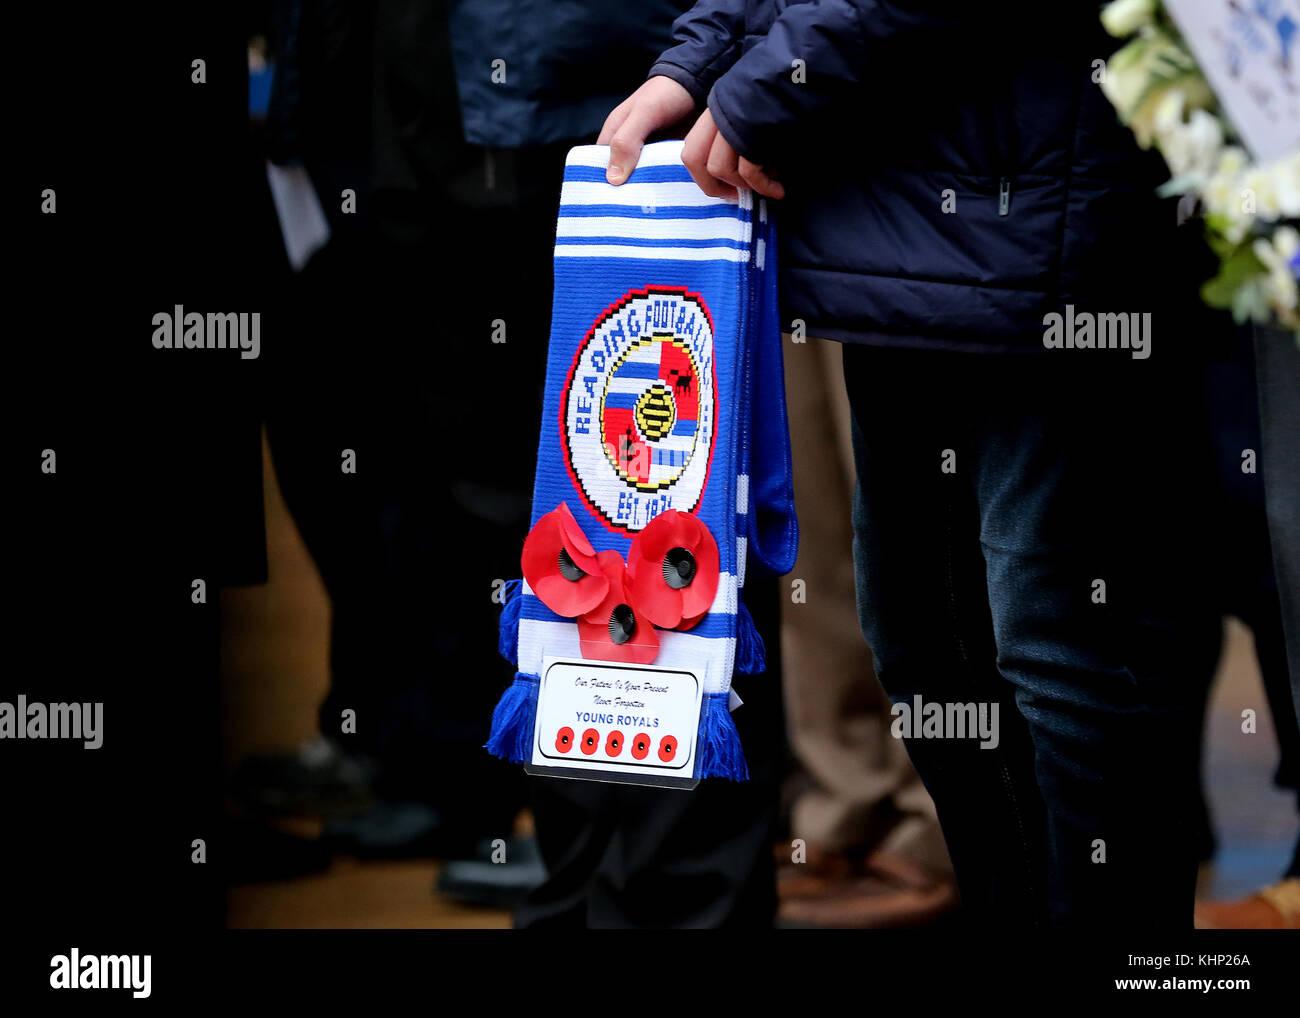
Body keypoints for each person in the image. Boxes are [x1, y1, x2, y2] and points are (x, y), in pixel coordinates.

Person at [601, 0, 1221, 928]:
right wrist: (699, 58)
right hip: (884, 211)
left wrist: (764, 80)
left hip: (1044, 200)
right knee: (926, 647)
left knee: (1065, 656)